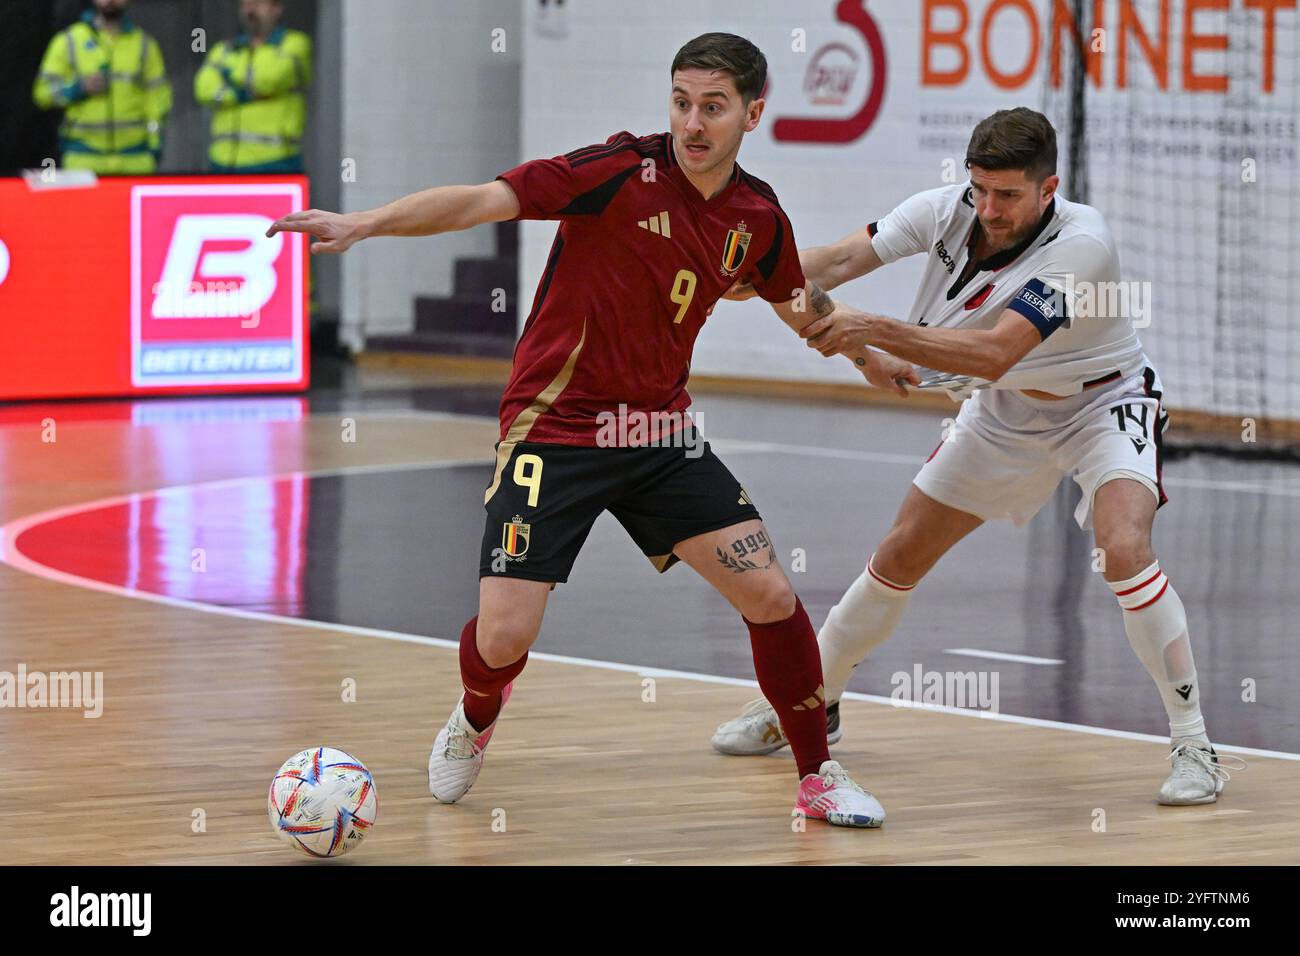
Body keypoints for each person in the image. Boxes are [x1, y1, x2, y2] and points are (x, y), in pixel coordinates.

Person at [268, 34, 918, 827]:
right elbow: (482, 199)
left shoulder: (757, 217)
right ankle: (475, 716)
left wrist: (867, 358)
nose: (692, 122)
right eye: (681, 102)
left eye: (712, 106)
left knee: (771, 590)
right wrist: (363, 224)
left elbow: (797, 306)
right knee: (504, 636)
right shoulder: (613, 174)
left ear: (753, 111)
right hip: (557, 428)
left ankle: (817, 772)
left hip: (658, 433)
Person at [711, 107, 1245, 807]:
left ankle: (1195, 745)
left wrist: (870, 327)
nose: (988, 208)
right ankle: (816, 702)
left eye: (1008, 196)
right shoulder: (943, 210)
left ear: (1049, 187)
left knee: (1123, 546)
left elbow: (997, 349)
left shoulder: (1085, 246)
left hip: (1101, 404)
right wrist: (751, 269)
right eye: (980, 189)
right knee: (901, 551)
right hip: (1006, 409)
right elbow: (836, 261)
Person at [32, 0, 171, 174]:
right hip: (83, 156)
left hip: (135, 157)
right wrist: (77, 89)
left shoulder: (144, 44)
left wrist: (154, 146)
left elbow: (158, 100)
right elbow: (42, 93)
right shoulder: (69, 41)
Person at [195, 0, 311, 173]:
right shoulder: (224, 49)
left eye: (258, 3)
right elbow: (203, 89)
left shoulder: (294, 43)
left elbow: (270, 78)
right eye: (245, 4)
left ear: (276, 8)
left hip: (276, 160)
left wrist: (228, 80)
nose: (250, 9)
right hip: (224, 161)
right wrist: (241, 94)